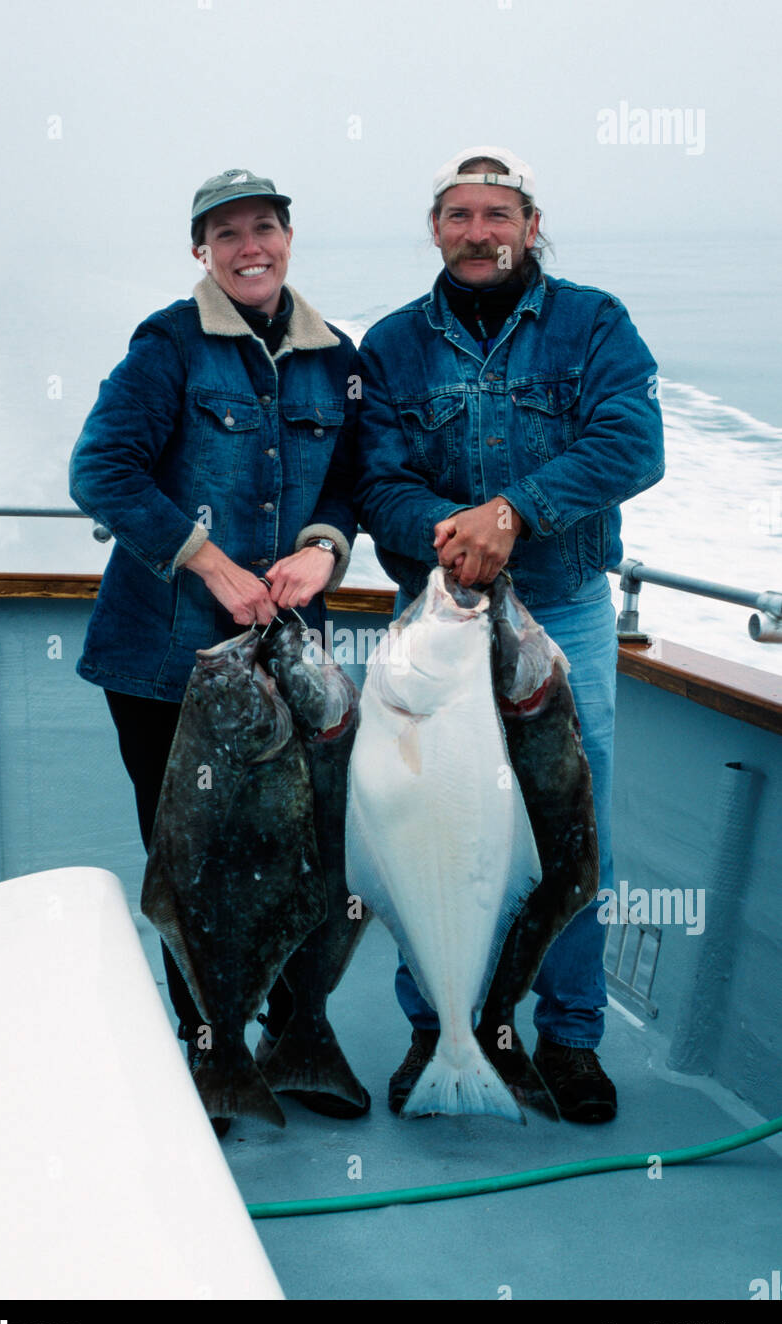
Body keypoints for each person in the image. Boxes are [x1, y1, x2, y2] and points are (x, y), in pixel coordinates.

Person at [355, 146, 665, 1122]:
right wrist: (455, 535)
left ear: (530, 226)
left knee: (573, 833)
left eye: (497, 215)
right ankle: (438, 1024)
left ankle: (567, 1037)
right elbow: (374, 481)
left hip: (562, 616)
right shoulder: (394, 345)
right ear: (436, 229)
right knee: (428, 825)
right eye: (458, 216)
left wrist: (511, 514)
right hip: (440, 621)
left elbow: (631, 443)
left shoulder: (593, 322)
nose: (478, 233)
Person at [69, 169, 365, 1122]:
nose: (250, 247)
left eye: (264, 228)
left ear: (288, 237)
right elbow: (100, 470)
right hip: (161, 663)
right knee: (191, 863)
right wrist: (208, 563)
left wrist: (324, 551)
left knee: (308, 856)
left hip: (292, 667)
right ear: (201, 249)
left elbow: (349, 485)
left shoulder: (337, 359)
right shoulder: (166, 346)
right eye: (227, 232)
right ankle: (211, 1055)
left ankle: (297, 1040)